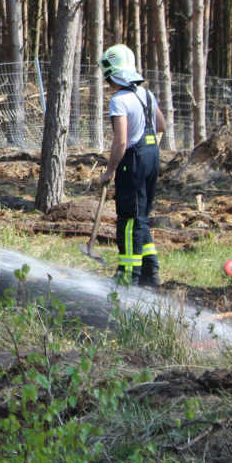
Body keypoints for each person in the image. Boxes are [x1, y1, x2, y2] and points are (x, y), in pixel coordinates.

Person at [98, 44, 167, 287]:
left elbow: (121, 140)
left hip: (134, 163)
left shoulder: (119, 101)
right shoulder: (146, 95)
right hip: (152, 158)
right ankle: (150, 270)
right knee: (142, 217)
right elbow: (161, 126)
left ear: (111, 76)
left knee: (128, 220)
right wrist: (150, 147)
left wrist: (109, 171)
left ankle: (127, 277)